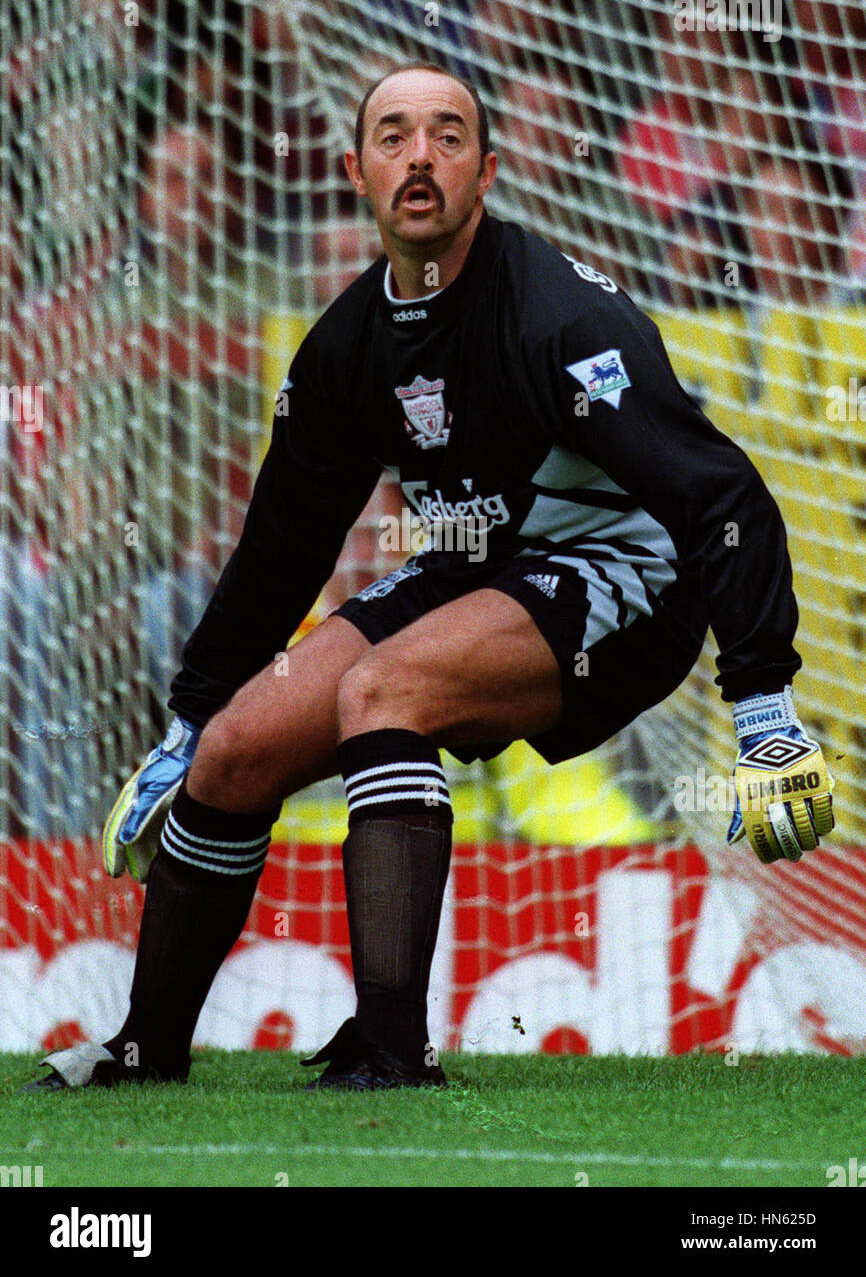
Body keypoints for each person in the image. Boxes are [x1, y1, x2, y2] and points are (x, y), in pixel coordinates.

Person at [25, 62, 834, 1094]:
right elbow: (282, 547)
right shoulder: (345, 346)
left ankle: (392, 1048)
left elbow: (723, 498)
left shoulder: (560, 321)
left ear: (485, 171)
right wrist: (185, 721)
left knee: (382, 690)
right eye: (395, 137)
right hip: (467, 569)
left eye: (448, 137)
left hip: (622, 583)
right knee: (234, 753)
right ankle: (146, 1048)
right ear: (354, 171)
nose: (420, 157)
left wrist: (761, 700)